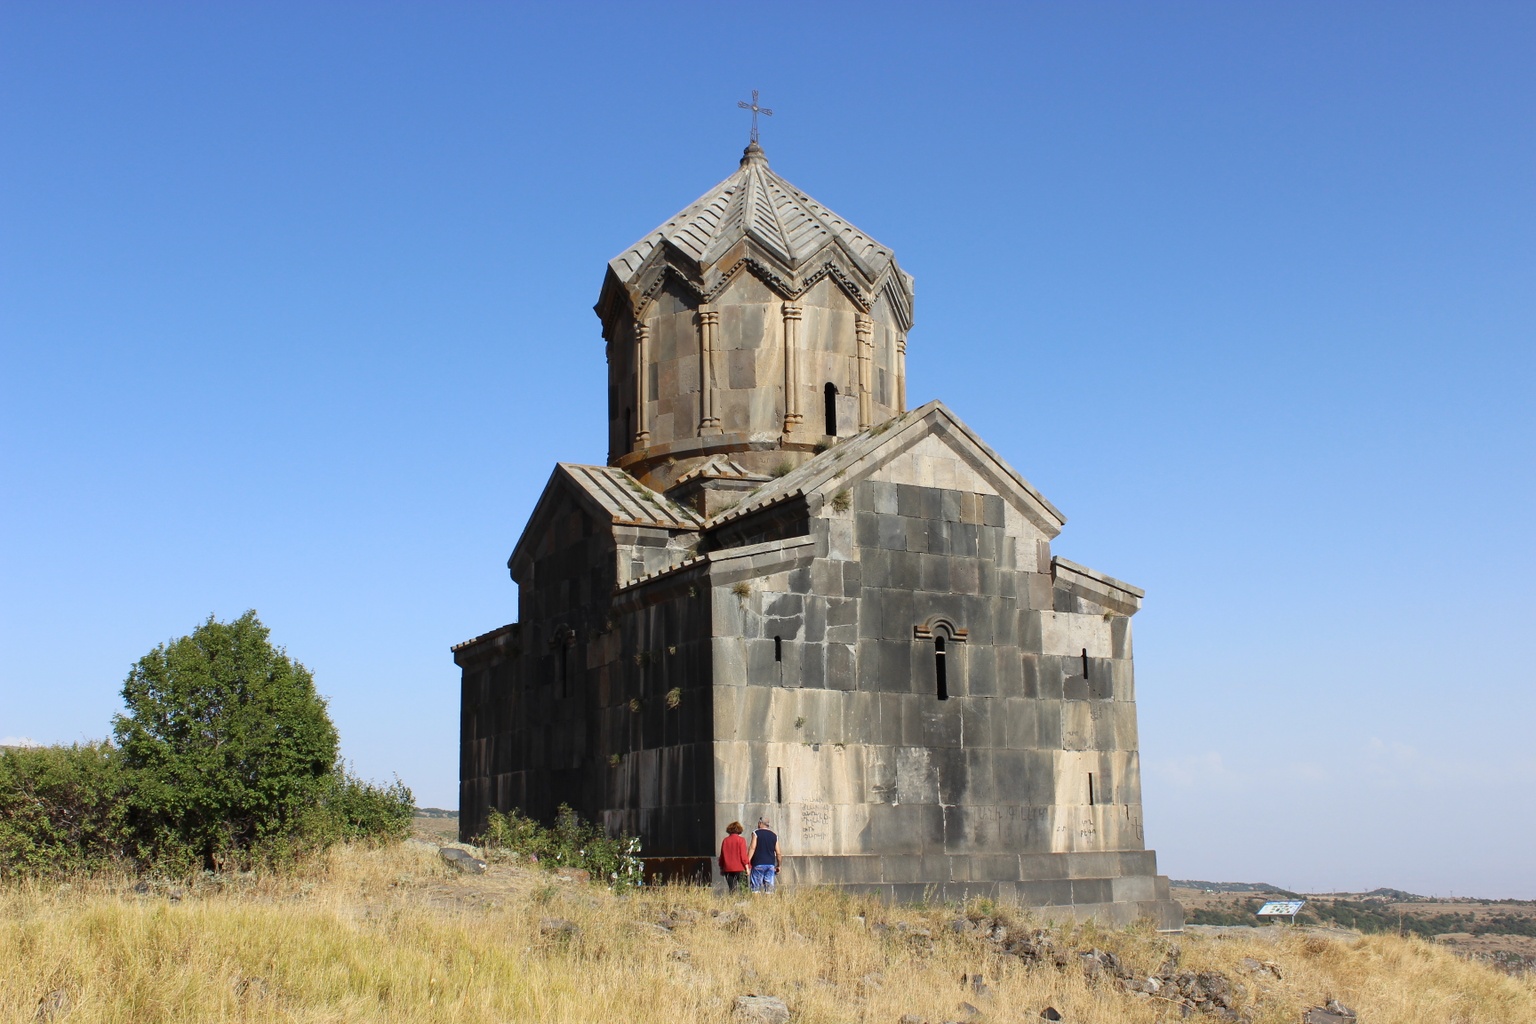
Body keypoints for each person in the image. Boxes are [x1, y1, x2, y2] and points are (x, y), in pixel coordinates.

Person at [745, 817, 780, 893]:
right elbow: (778, 852)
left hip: (758, 863)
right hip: (770, 864)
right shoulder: (774, 835)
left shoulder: (756, 833)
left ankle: (757, 904)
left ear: (760, 823)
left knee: (755, 888)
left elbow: (752, 848)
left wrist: (747, 862)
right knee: (769, 889)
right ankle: (768, 904)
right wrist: (779, 865)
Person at [718, 821, 750, 893]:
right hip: (740, 868)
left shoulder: (725, 840)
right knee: (744, 888)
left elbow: (722, 855)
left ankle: (733, 902)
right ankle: (744, 903)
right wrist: (747, 867)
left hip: (728, 868)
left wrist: (721, 867)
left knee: (732, 889)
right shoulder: (741, 840)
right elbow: (743, 855)